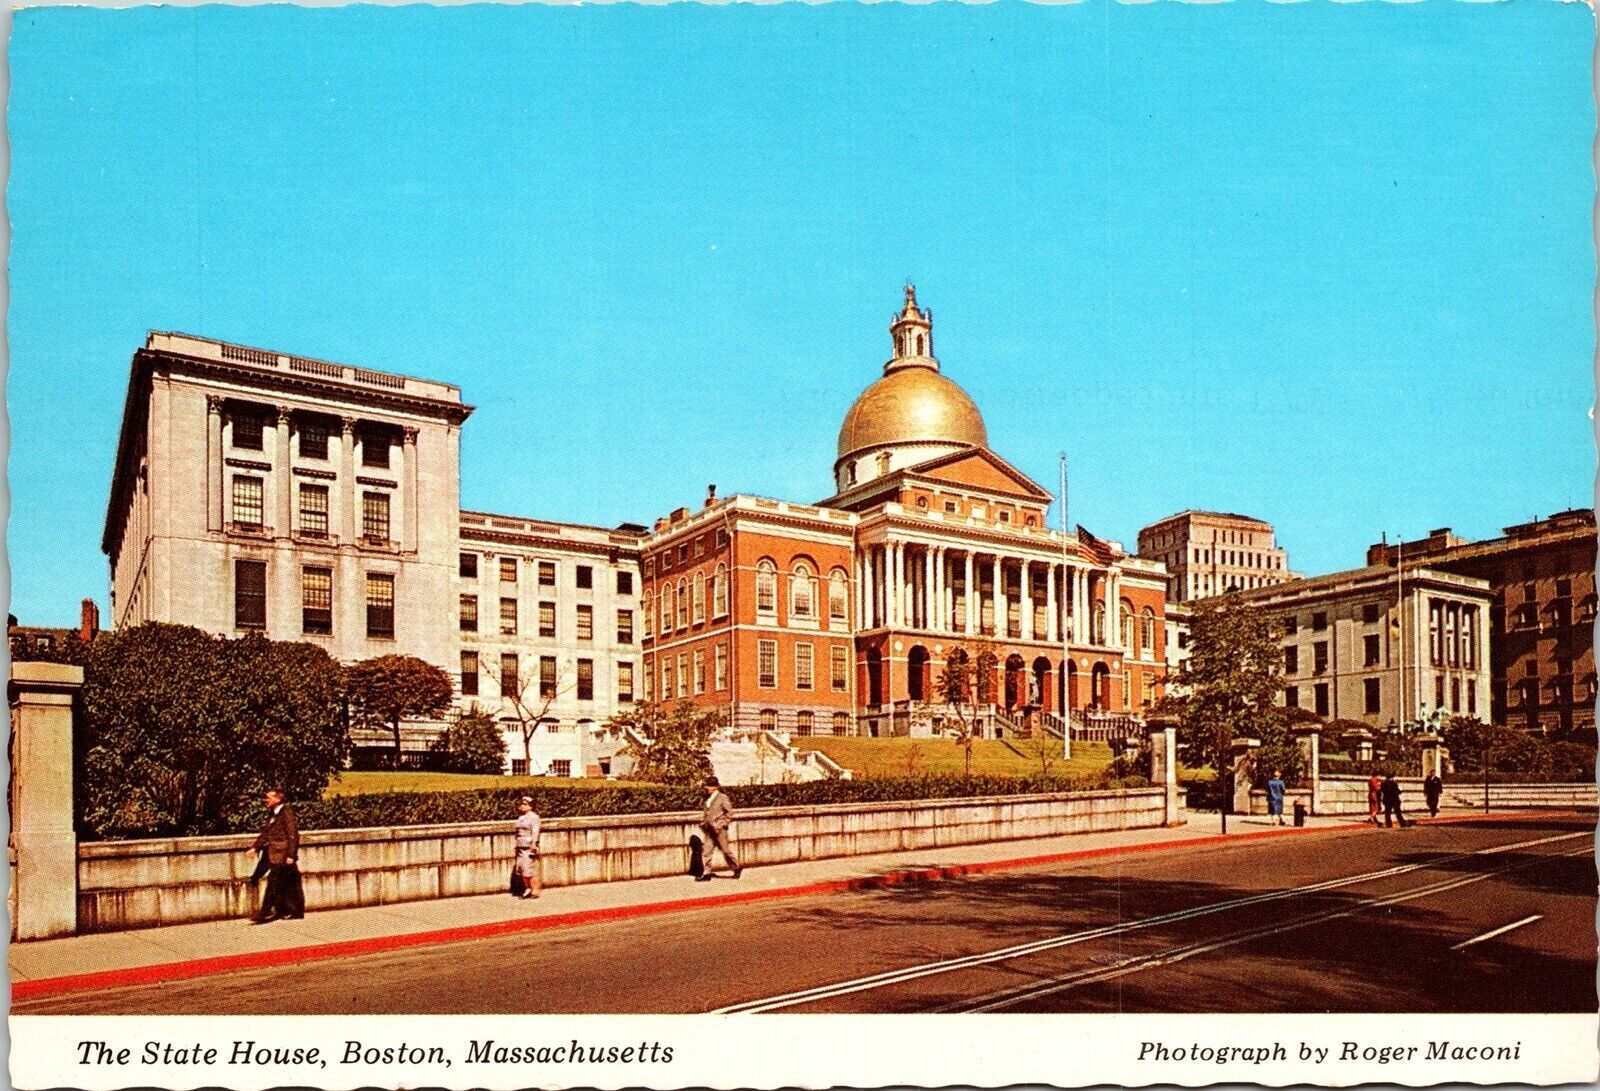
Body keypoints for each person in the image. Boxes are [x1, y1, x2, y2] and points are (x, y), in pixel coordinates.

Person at [248, 787, 303, 923]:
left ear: (278, 799)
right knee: (289, 885)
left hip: (282, 855)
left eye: (268, 798)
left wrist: (291, 855)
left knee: (274, 882)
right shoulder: (273, 813)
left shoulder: (286, 813)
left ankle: (264, 913)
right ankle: (294, 912)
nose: (265, 800)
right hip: (274, 854)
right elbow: (266, 833)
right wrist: (255, 848)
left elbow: (293, 835)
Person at [696, 777, 741, 881]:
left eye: (709, 786)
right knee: (706, 851)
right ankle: (706, 873)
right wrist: (704, 822)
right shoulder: (707, 798)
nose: (706, 787)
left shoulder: (722, 797)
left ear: (715, 787)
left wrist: (721, 825)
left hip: (720, 830)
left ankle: (737, 867)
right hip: (709, 829)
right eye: (706, 785)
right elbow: (708, 813)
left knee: (725, 851)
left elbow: (729, 813)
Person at [513, 796, 542, 899]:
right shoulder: (521, 817)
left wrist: (534, 844)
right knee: (521, 868)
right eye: (522, 804)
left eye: (525, 804)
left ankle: (534, 890)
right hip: (520, 846)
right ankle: (528, 888)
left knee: (528, 869)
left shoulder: (534, 817)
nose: (522, 806)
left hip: (528, 846)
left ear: (531, 806)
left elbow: (535, 831)